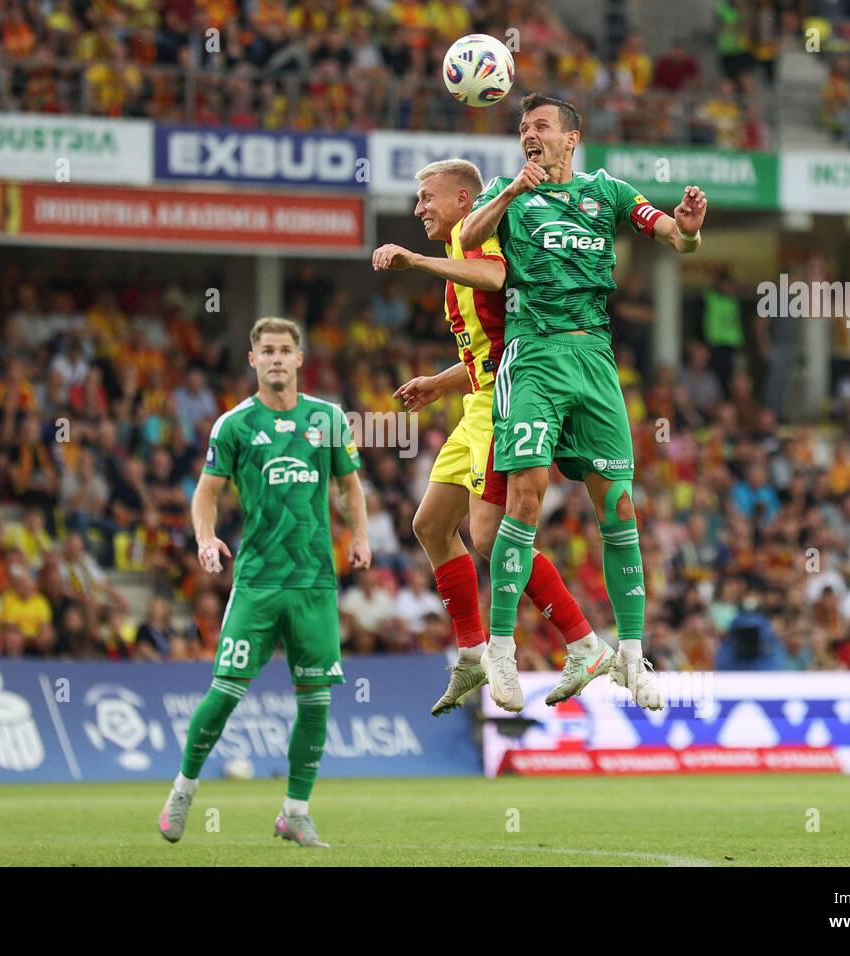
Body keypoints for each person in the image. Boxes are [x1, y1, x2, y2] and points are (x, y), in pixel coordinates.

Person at [459, 92, 707, 712]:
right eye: (522, 128)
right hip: (534, 355)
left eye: (540, 126)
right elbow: (467, 236)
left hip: (595, 358)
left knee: (619, 507)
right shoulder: (504, 190)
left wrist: (692, 229)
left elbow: (675, 238)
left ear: (572, 137)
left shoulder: (610, 193)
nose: (528, 135)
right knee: (525, 498)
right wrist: (513, 191)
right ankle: (503, 651)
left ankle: (629, 653)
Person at [370, 157, 600, 716]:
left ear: (462, 200)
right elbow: (482, 347)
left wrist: (415, 259)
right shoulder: (456, 252)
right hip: (476, 397)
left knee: (492, 539)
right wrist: (439, 382)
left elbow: (496, 278)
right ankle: (472, 657)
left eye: (428, 197)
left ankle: (584, 643)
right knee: (428, 524)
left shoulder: (485, 237)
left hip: (505, 400)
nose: (419, 207)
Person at [159, 317, 370, 850]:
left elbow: (350, 485)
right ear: (252, 360)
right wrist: (206, 538)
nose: (276, 358)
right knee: (225, 693)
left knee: (316, 702)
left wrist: (360, 536)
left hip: (315, 583)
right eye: (267, 351)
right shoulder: (233, 425)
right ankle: (184, 788)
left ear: (300, 359)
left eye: (285, 350)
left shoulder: (326, 419)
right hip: (256, 582)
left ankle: (295, 812)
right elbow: (205, 492)